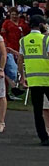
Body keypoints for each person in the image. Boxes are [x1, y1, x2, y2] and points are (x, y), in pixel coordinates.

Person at [17, 18, 49, 146]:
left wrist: (22, 76)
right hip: (47, 78)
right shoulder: (46, 39)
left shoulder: (23, 41)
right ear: (41, 25)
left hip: (33, 79)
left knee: (37, 110)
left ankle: (43, 137)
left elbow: (20, 60)